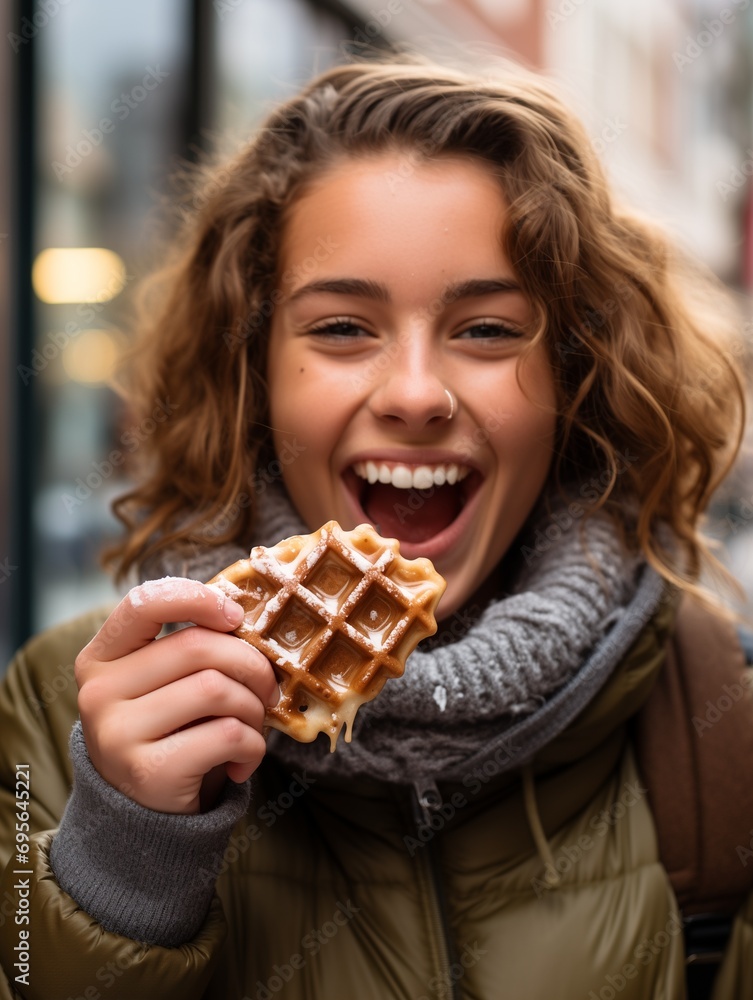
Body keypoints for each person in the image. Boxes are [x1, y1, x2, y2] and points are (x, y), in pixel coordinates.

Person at [1, 54, 751, 1000]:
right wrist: (122, 864)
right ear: (255, 368)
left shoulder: (720, 726)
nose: (413, 394)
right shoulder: (62, 711)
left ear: (578, 376)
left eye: (486, 329)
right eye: (342, 328)